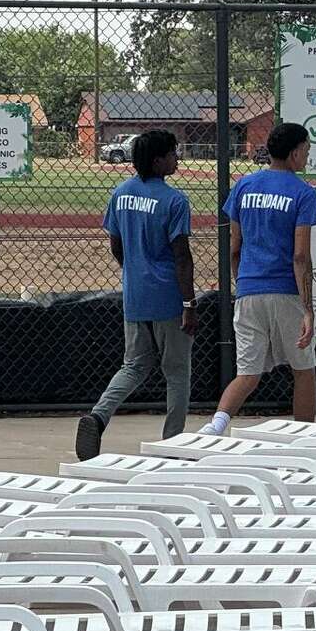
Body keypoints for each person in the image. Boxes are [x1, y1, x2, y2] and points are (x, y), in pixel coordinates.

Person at [76, 129, 195, 459]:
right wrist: (189, 303)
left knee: (134, 365)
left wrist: (133, 270)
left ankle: (98, 416)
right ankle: (173, 442)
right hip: (169, 296)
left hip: (136, 293)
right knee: (177, 372)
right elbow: (182, 256)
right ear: (158, 161)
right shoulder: (174, 200)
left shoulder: (121, 193)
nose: (176, 158)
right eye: (172, 154)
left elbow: (116, 243)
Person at [199, 122, 316, 435]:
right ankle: (304, 438)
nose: (307, 156)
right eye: (306, 150)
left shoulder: (244, 186)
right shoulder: (303, 193)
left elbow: (235, 248)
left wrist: (243, 285)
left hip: (249, 289)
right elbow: (300, 256)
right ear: (295, 154)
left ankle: (216, 426)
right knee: (303, 370)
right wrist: (307, 307)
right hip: (285, 290)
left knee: (248, 374)